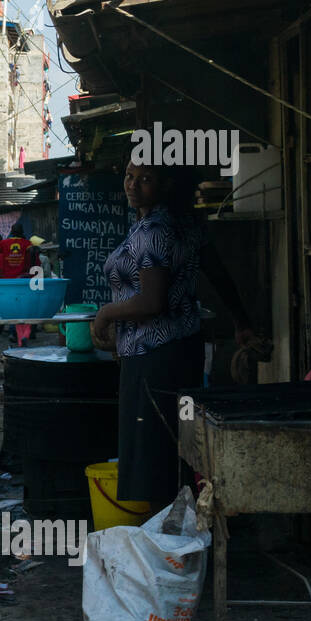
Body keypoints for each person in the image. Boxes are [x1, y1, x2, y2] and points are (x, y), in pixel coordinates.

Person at [92, 160, 253, 511]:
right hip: (180, 352)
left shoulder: (153, 231)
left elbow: (152, 301)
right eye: (129, 176)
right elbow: (219, 275)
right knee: (176, 454)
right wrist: (242, 322)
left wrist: (105, 315)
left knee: (153, 459)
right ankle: (179, 543)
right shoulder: (185, 224)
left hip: (154, 357)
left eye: (145, 179)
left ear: (165, 186)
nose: (132, 185)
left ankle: (166, 550)